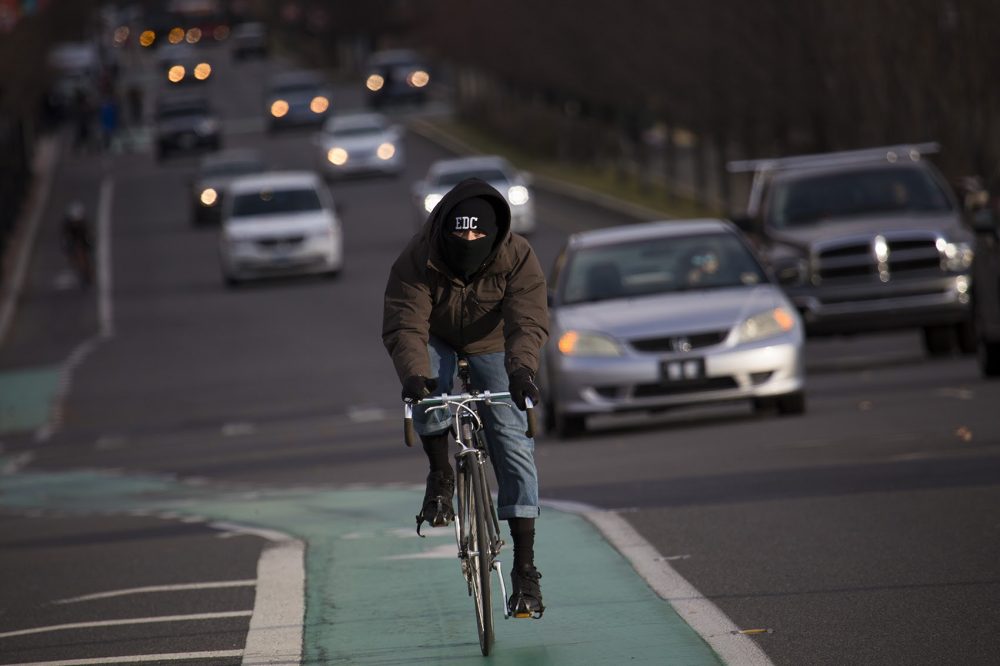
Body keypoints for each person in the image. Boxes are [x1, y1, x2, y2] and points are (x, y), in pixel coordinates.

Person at [382, 177, 549, 618]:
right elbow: (406, 326)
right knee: (430, 391)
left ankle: (525, 571)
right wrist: (415, 376)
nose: (470, 239)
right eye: (462, 231)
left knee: (513, 441)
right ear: (445, 230)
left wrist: (522, 371)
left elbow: (527, 322)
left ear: (495, 234)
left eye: (479, 232)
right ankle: (440, 476)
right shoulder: (418, 258)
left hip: (493, 342)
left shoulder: (518, 256)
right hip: (435, 337)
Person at [62, 201, 94, 287]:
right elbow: (65, 236)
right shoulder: (67, 225)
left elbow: (87, 234)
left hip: (82, 237)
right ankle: (79, 268)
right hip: (73, 238)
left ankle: (88, 270)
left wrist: (88, 242)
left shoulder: (83, 224)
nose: (75, 223)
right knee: (71, 254)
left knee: (86, 252)